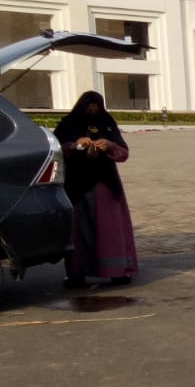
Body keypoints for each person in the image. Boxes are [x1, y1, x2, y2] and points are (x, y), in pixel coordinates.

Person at [54, 91, 138, 287]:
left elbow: (123, 153)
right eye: (88, 109)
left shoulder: (107, 123)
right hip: (77, 185)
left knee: (110, 229)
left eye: (96, 108)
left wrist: (109, 145)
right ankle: (77, 274)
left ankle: (117, 271)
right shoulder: (69, 123)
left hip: (105, 184)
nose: (92, 112)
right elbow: (57, 148)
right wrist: (76, 145)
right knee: (78, 230)